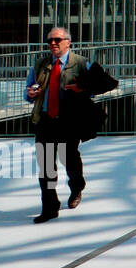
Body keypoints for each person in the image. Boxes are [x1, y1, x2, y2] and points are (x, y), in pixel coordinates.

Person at [23, 27, 98, 223]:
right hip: (46, 120)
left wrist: (80, 88)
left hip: (69, 122)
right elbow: (28, 90)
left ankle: (77, 188)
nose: (53, 44)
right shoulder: (41, 64)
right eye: (50, 41)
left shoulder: (81, 64)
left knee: (70, 160)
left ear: (68, 42)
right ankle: (49, 206)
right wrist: (30, 94)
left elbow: (95, 88)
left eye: (57, 40)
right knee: (46, 166)